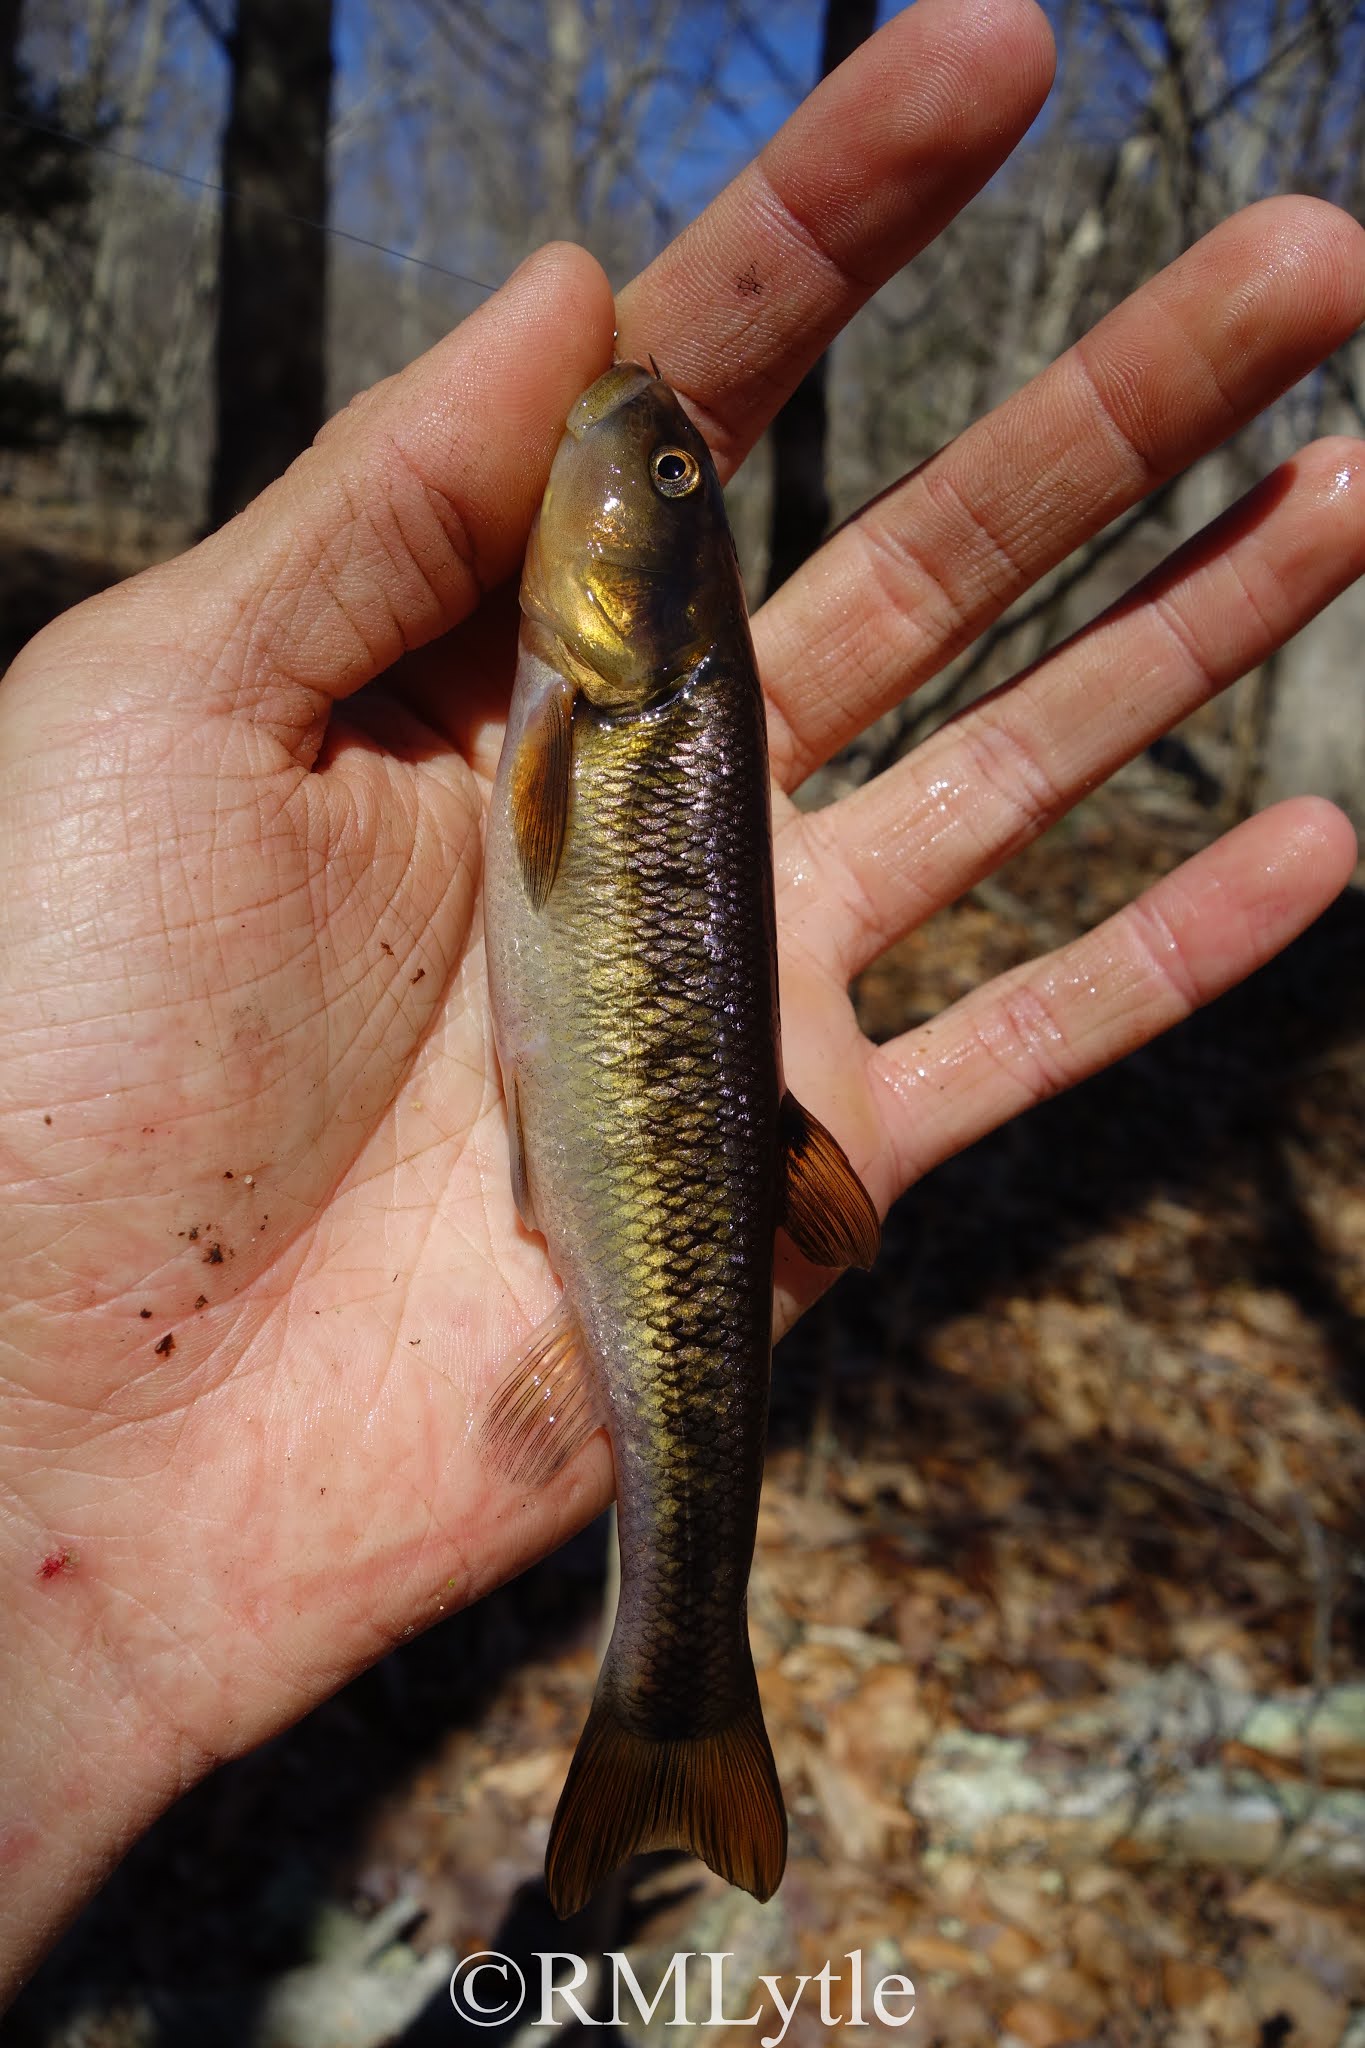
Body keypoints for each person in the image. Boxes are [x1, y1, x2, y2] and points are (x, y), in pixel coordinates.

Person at [1, 0, 1362, 2001]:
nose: (634, 460)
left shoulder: (611, 721)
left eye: (659, 478)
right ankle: (679, 1692)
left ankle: (673, 1679)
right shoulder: (598, 713)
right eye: (662, 470)